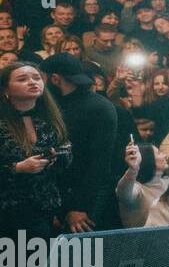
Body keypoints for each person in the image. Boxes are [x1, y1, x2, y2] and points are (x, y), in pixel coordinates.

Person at [39, 53, 117, 233]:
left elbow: (99, 163)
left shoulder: (99, 107)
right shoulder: (47, 104)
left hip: (85, 195)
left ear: (55, 79)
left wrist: (80, 207)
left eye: (42, 78)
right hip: (52, 194)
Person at [0, 61, 72, 250]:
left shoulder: (50, 117)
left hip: (47, 206)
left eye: (37, 78)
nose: (33, 82)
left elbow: (68, 154)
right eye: (23, 79)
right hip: (10, 208)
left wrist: (58, 157)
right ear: (6, 88)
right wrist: (18, 168)